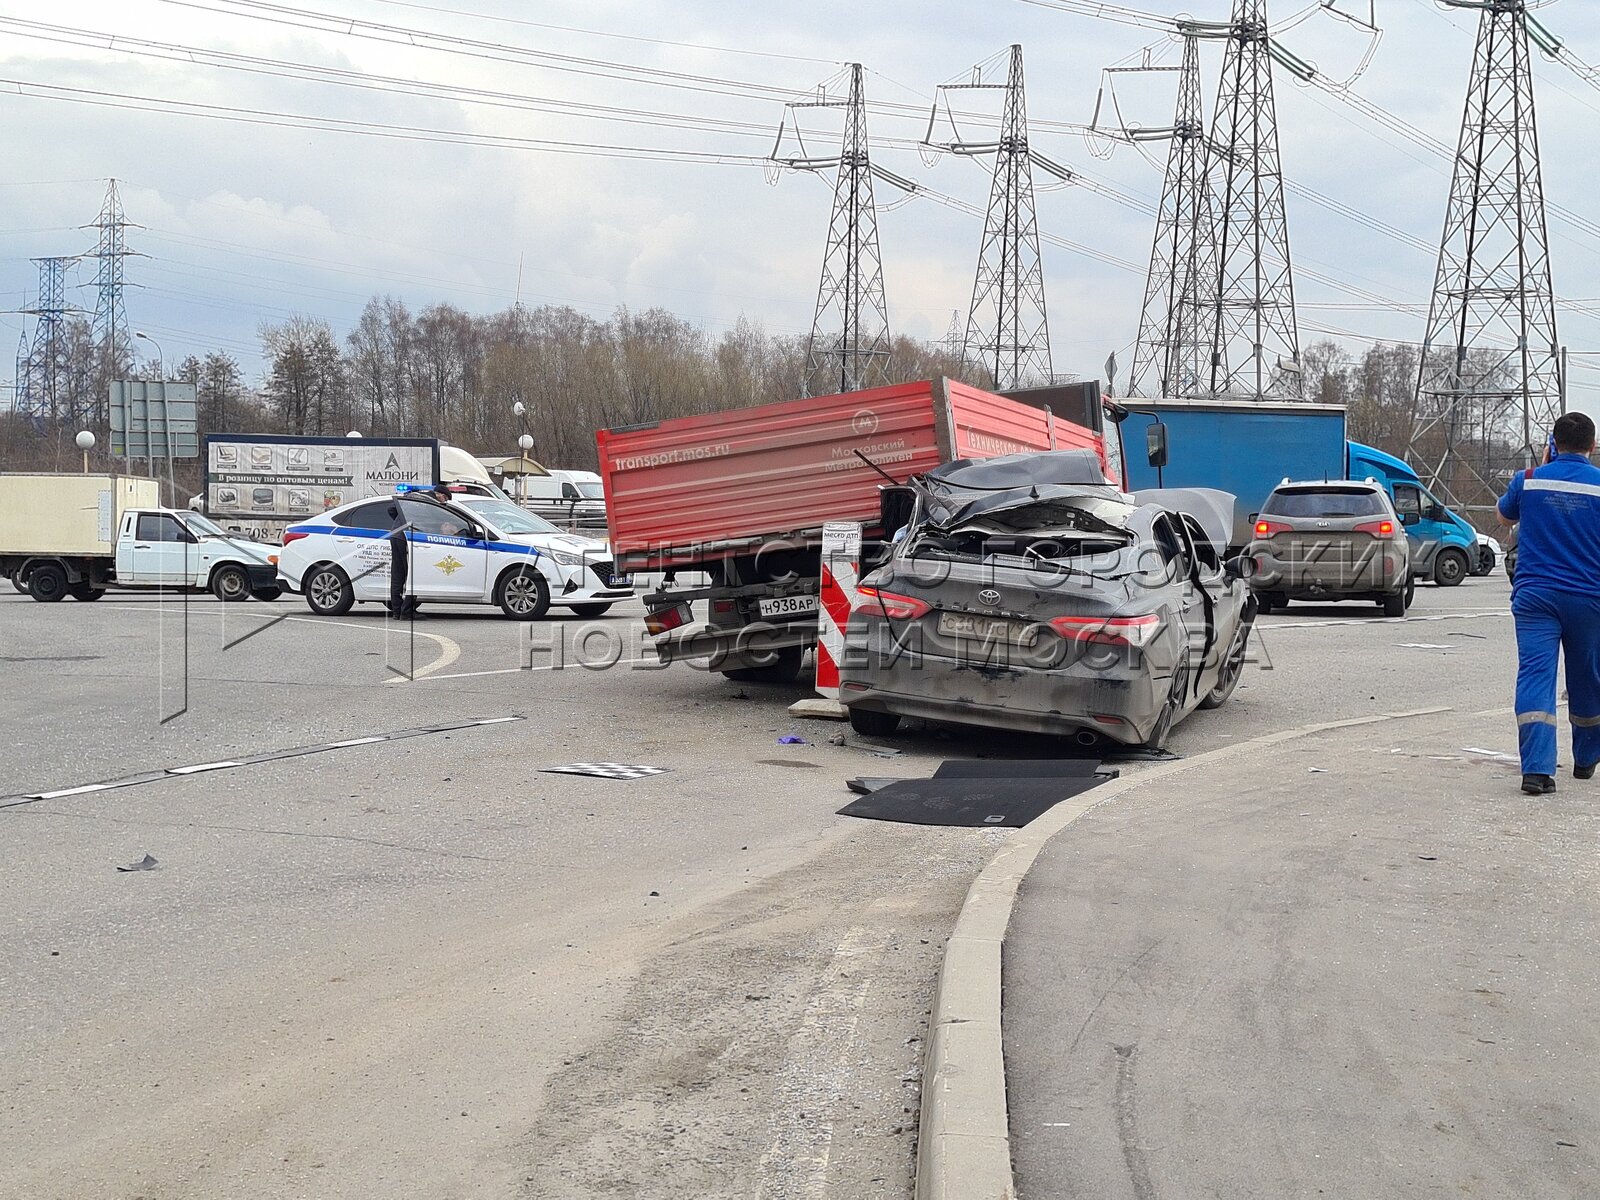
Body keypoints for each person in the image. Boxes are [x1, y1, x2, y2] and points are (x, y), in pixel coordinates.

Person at [1497, 411, 1600, 795]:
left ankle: (1537, 770)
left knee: (1536, 676)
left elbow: (1504, 517)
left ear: (1554, 443)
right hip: (1588, 599)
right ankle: (1587, 756)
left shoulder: (1529, 480)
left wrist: (1545, 467)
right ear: (1592, 445)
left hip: (1535, 597)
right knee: (1587, 677)